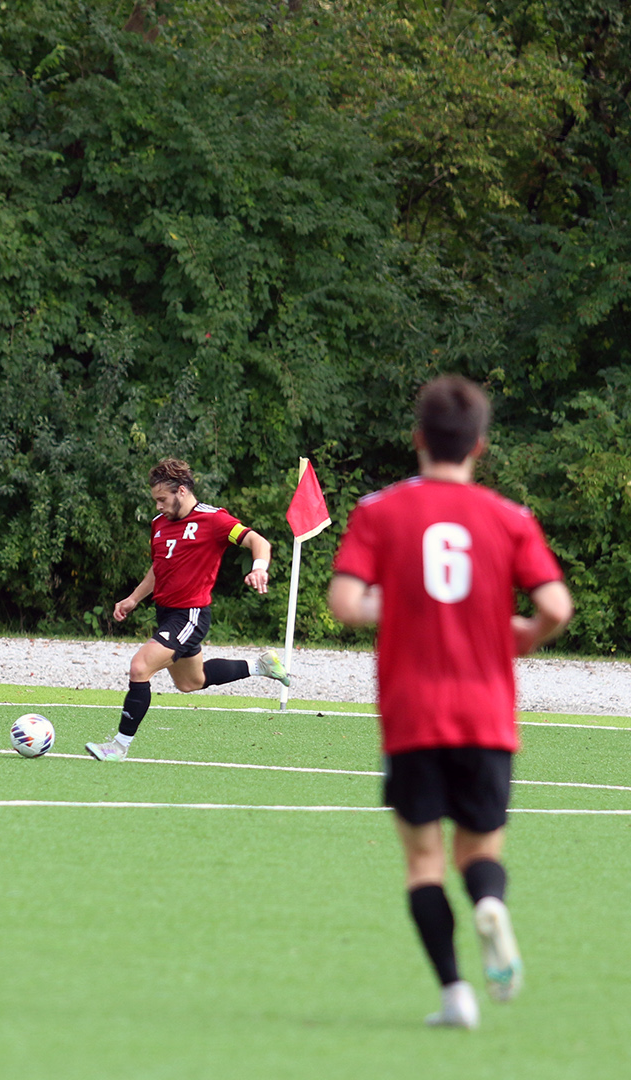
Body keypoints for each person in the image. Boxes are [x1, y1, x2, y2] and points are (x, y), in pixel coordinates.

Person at [328, 375, 573, 1029]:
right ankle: (489, 904)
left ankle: (455, 995)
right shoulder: (509, 518)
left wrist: (399, 608)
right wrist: (521, 634)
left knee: (423, 862)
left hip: (412, 717)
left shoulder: (380, 511)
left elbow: (345, 603)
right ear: (480, 447)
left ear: (417, 440)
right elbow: (556, 606)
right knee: (479, 856)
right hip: (488, 717)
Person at [85, 458, 291, 762]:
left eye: (162, 499)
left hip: (190, 615)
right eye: (156, 500)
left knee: (140, 667)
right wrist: (133, 599)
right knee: (190, 682)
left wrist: (259, 568)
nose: (159, 506)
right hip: (166, 614)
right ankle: (259, 666)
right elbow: (160, 567)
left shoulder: (214, 520)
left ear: (181, 491)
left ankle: (118, 745)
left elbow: (257, 541)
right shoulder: (159, 524)